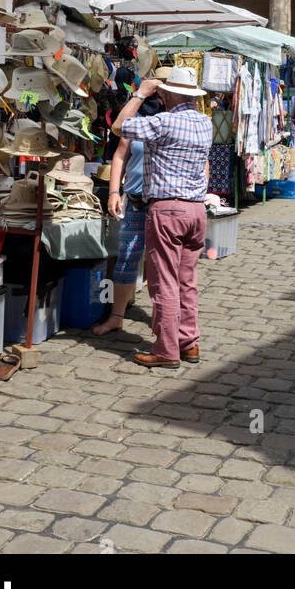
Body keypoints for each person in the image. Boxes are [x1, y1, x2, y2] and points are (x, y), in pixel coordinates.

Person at [113, 65, 212, 369]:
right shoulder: (205, 122)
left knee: (164, 282)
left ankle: (166, 350)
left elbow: (119, 126)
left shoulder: (164, 122)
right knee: (187, 281)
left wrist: (140, 94)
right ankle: (189, 344)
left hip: (167, 209)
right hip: (196, 210)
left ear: (168, 93)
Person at [91, 132, 149, 336]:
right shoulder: (137, 118)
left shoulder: (178, 115)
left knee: (162, 263)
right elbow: (120, 151)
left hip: (165, 202)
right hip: (135, 201)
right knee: (126, 259)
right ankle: (117, 316)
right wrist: (114, 191)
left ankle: (164, 318)